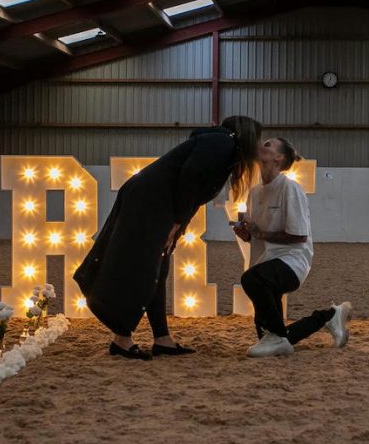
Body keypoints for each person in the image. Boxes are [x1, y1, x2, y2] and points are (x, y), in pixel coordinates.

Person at [75, 116, 263, 360]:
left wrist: (178, 225)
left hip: (154, 203)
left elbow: (192, 191)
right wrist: (175, 221)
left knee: (158, 268)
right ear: (247, 134)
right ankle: (122, 339)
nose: (259, 145)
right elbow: (189, 178)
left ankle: (161, 338)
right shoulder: (223, 143)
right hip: (150, 204)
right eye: (257, 138)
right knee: (144, 268)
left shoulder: (222, 146)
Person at [233, 137, 350, 357]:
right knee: (275, 334)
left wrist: (260, 233)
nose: (261, 145)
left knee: (250, 279)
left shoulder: (290, 188)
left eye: (268, 145)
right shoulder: (255, 192)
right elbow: (256, 236)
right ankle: (328, 317)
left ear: (279, 158)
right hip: (265, 263)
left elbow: (298, 236)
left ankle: (278, 338)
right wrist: (247, 234)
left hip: (292, 261)